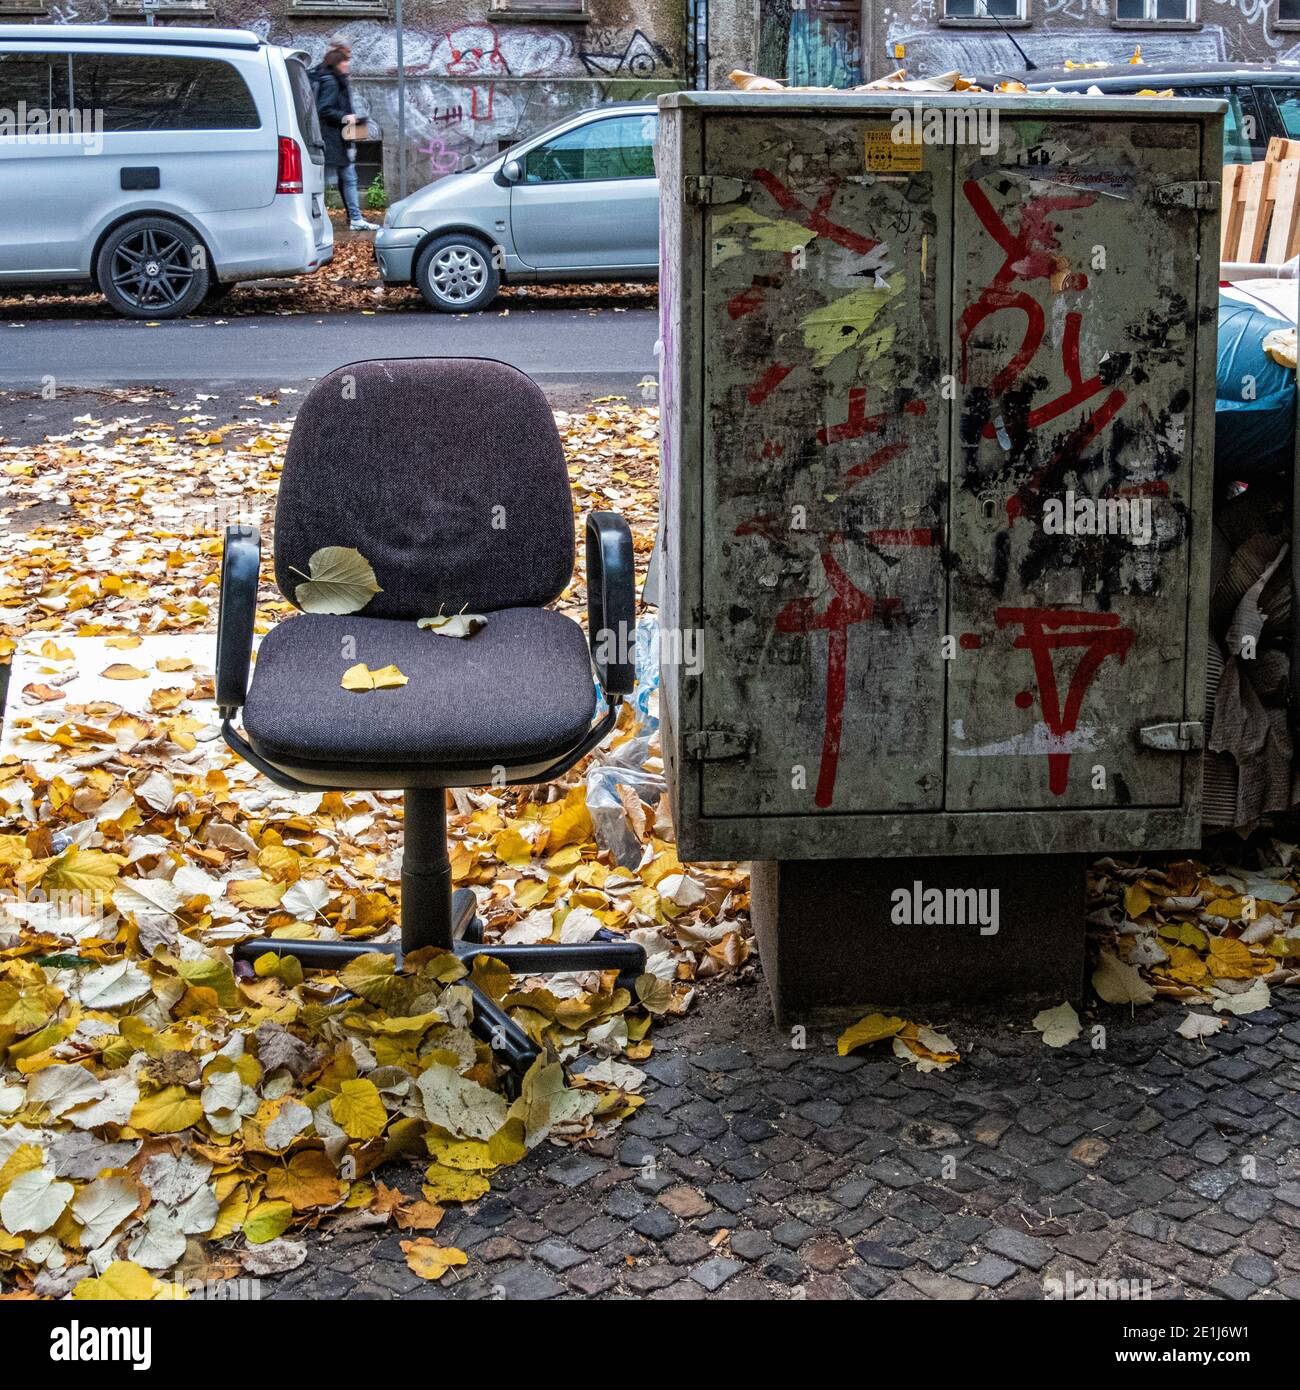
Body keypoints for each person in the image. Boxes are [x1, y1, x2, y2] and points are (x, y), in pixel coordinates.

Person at [311, 44, 379, 233]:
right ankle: (350, 218)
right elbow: (324, 109)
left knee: (344, 178)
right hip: (332, 139)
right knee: (328, 180)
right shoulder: (332, 82)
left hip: (335, 138)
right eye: (345, 61)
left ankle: (353, 217)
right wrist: (345, 117)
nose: (348, 64)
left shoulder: (330, 78)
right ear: (337, 63)